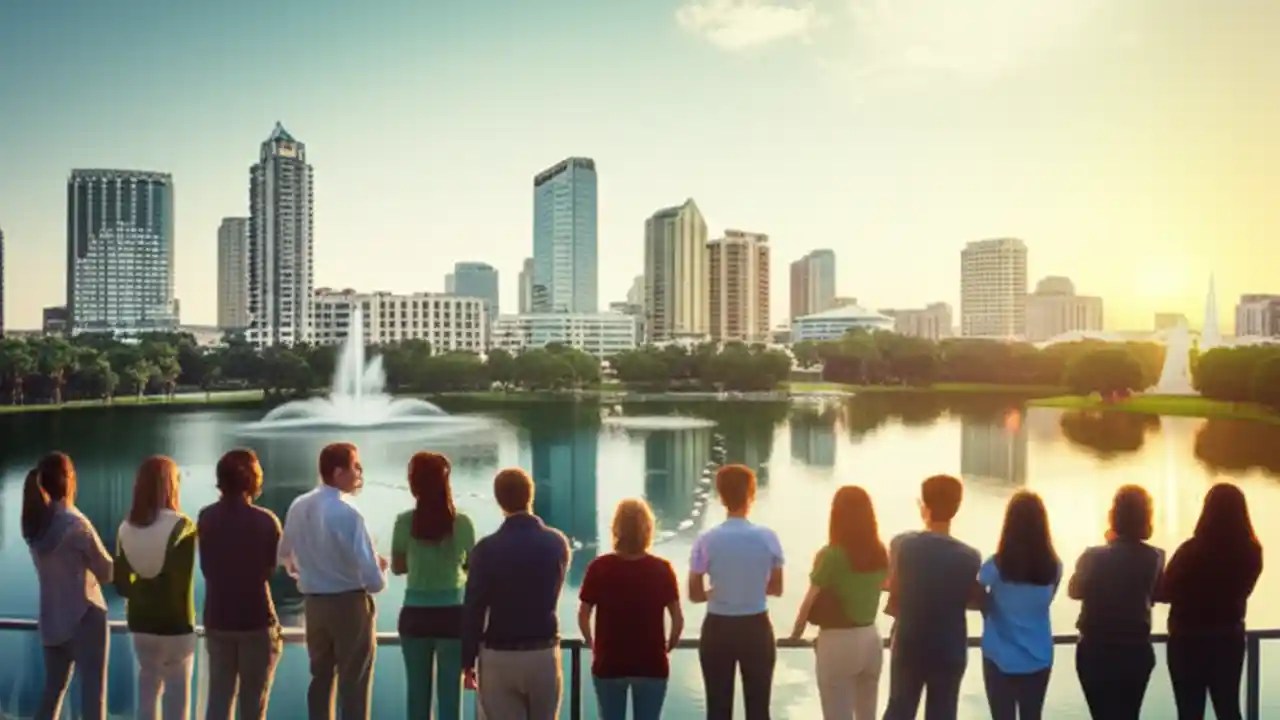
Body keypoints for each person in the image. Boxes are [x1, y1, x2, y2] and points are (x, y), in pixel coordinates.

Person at [279, 442, 388, 720]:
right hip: (349, 605)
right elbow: (374, 582)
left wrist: (306, 573)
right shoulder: (350, 513)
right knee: (354, 682)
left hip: (314, 604)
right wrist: (381, 566)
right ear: (339, 472)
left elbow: (284, 554)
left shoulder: (298, 505)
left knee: (320, 677)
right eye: (355, 467)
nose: (359, 473)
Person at [462, 467, 571, 720]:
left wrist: (468, 661)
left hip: (499, 655)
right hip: (542, 652)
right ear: (530, 495)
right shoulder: (557, 543)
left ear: (499, 500)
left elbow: (474, 609)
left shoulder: (485, 549)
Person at [882, 474, 982, 720]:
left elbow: (890, 585)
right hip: (950, 646)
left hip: (909, 642)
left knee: (899, 710)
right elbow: (971, 600)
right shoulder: (970, 556)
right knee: (943, 713)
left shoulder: (902, 544)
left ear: (923, 505)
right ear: (957, 508)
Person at [689, 464, 784, 720]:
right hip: (756, 628)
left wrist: (717, 592)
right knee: (759, 709)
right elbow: (777, 588)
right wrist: (750, 585)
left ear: (721, 497)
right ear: (751, 494)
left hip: (718, 628)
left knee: (717, 709)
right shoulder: (768, 538)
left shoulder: (706, 540)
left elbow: (694, 593)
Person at [1160, 483, 1262, 720]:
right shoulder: (1251, 551)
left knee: (1189, 711)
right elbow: (1244, 590)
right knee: (1228, 707)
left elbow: (1165, 591)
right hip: (1228, 638)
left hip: (1187, 639)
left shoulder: (1190, 551)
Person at [23, 453, 113, 720]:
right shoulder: (76, 524)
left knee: (52, 694)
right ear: (70, 480)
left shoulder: (35, 526)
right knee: (92, 699)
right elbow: (107, 572)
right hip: (85, 618)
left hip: (52, 621)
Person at [788, 486, 888, 720]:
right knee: (867, 715)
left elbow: (810, 598)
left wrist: (796, 634)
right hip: (871, 639)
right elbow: (887, 585)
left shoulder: (831, 555)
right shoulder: (879, 552)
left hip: (837, 642)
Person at [198, 449, 284, 720]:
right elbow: (270, 570)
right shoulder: (266, 521)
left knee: (219, 700)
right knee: (253, 704)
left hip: (218, 619)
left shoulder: (206, 517)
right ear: (253, 480)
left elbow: (206, 567)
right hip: (256, 620)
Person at [578, 499, 683, 720]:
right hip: (651, 663)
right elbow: (677, 619)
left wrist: (592, 644)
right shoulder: (662, 570)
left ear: (617, 529)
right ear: (648, 529)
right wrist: (668, 647)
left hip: (609, 662)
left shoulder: (599, 567)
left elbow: (584, 615)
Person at [1068, 484, 1165, 720]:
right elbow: (1157, 594)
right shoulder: (1155, 557)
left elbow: (1074, 591)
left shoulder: (1093, 556)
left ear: (1114, 516)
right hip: (1135, 650)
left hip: (1096, 650)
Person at [391, 452, 476, 720]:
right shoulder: (461, 522)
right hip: (452, 614)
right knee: (450, 699)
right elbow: (472, 569)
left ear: (414, 483)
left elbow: (397, 567)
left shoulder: (404, 522)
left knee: (417, 697)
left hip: (415, 613)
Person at [114, 456, 197, 720]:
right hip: (176, 625)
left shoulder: (125, 528)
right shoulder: (182, 526)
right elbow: (180, 580)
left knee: (147, 692)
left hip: (140, 623)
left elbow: (121, 584)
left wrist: (143, 592)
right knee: (177, 701)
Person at [978, 491, 1060, 720]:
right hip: (1038, 657)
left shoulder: (996, 566)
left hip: (999, 657)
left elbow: (973, 593)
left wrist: (988, 607)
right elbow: (1048, 600)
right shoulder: (1054, 567)